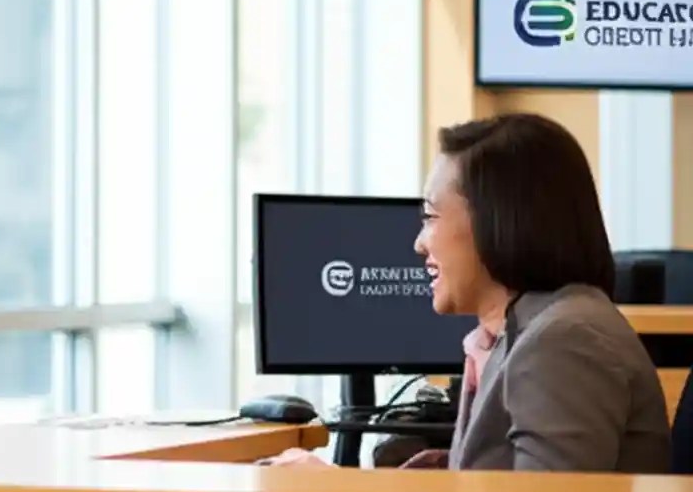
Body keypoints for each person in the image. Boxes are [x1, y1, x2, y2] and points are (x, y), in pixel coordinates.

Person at [268, 112, 671, 472]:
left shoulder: (563, 341)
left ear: (498, 221)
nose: (419, 244)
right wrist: (448, 479)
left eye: (429, 217)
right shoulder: (523, 332)